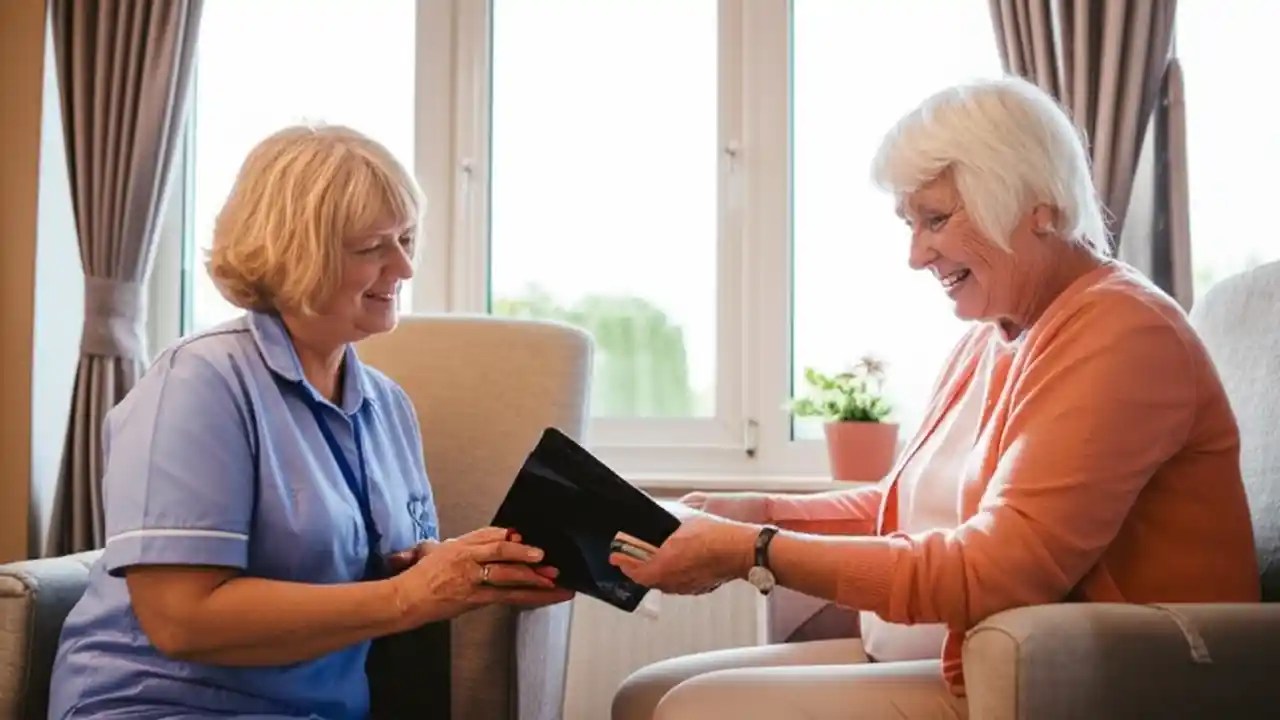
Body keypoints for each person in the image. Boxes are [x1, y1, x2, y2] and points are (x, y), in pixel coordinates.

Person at [609, 77, 1261, 720]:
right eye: (909, 222)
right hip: (957, 664)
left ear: (1036, 203)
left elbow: (998, 567)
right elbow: (910, 504)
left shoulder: (1124, 332)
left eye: (937, 219)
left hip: (1091, 679)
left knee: (691, 711)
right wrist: (756, 509)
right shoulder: (994, 333)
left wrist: (752, 547)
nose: (917, 255)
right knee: (641, 697)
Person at [47, 125, 572, 720]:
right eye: (373, 246)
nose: (402, 266)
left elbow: (378, 579)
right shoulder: (199, 384)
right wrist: (406, 595)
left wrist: (469, 572)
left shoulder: (387, 406)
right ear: (297, 249)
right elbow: (180, 618)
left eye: (406, 238)